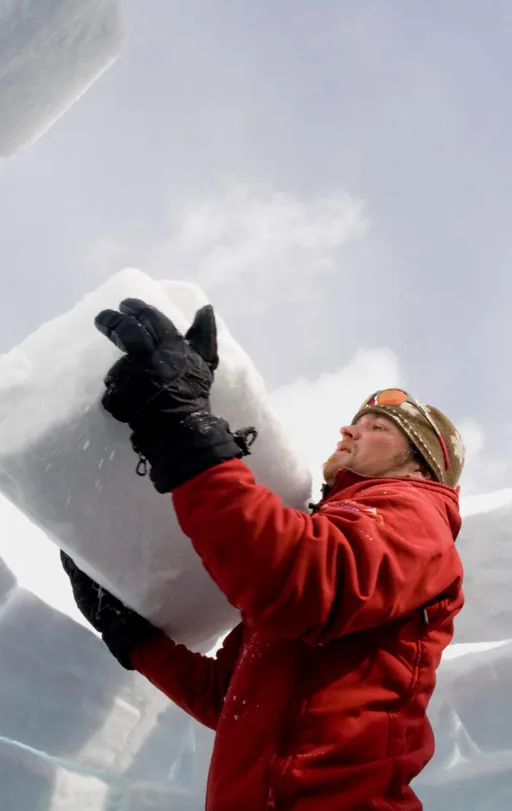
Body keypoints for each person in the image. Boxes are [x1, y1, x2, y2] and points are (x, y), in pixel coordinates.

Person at [60, 298, 466, 811]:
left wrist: (182, 427)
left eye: (378, 428)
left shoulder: (414, 513)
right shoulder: (329, 532)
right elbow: (230, 698)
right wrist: (133, 638)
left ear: (421, 466)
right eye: (355, 421)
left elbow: (302, 578)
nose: (349, 429)